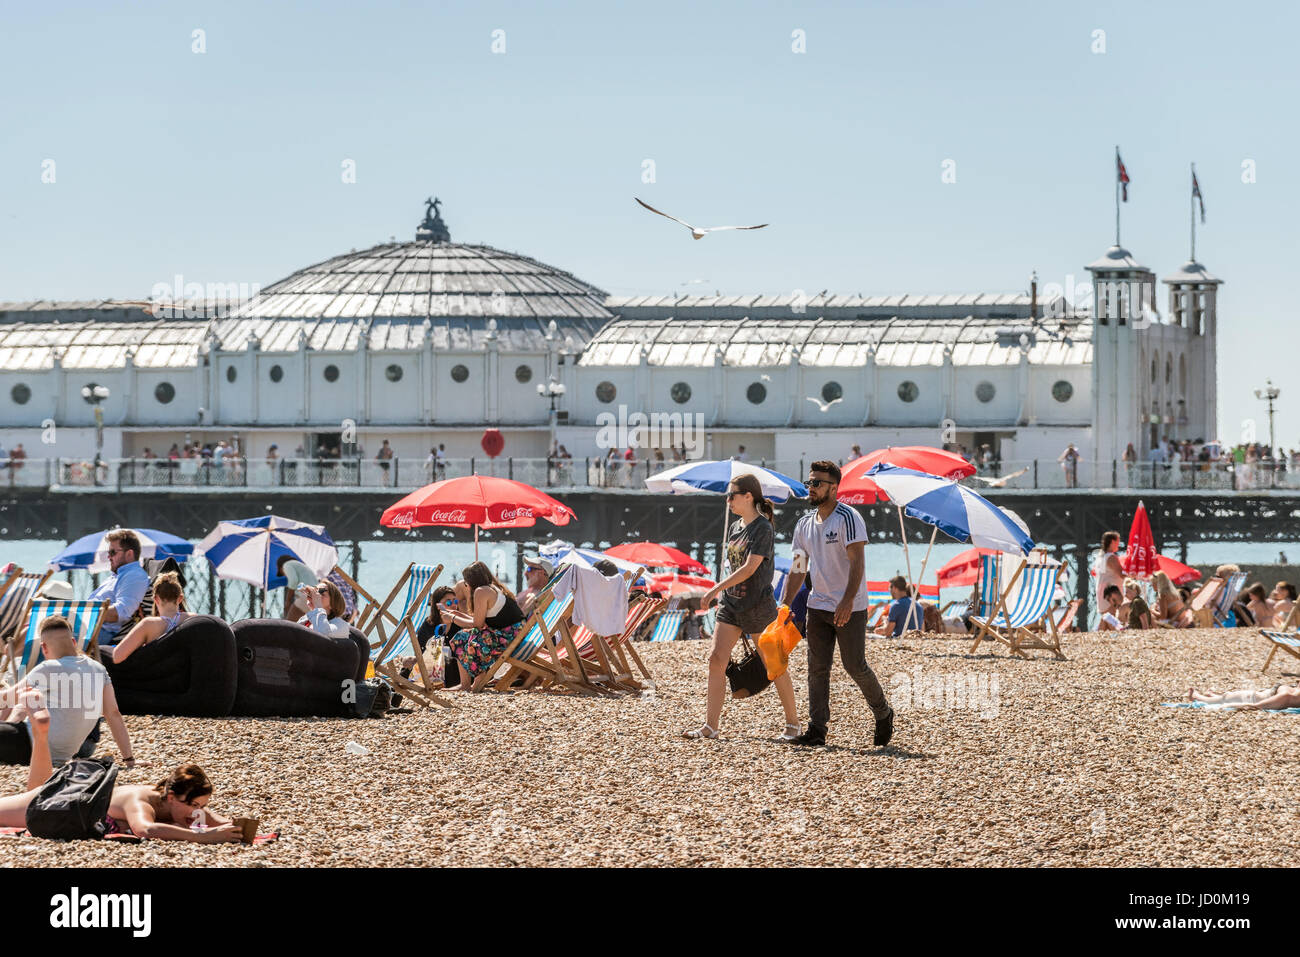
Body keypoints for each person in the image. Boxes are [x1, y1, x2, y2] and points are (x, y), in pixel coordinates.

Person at [780, 461, 894, 748]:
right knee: (817, 668)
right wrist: (784, 604)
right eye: (809, 483)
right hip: (818, 605)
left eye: (817, 483)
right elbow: (797, 568)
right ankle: (817, 729)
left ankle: (883, 713)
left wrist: (846, 600)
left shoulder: (848, 518)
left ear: (834, 487)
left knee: (854, 665)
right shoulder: (804, 524)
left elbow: (858, 563)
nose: (811, 488)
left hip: (850, 607)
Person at [683, 474, 800, 742]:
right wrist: (724, 592)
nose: (728, 500)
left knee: (775, 664)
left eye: (732, 495)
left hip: (758, 606)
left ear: (748, 496)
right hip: (731, 606)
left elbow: (750, 568)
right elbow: (734, 567)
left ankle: (793, 725)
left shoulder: (763, 528)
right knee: (716, 660)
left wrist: (715, 588)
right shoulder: (736, 527)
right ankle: (710, 726)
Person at [0, 616, 134, 789]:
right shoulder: (98, 669)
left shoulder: (48, 668)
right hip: (67, 752)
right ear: (72, 641)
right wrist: (129, 759)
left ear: (44, 648)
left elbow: (7, 698)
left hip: (31, 746)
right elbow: (113, 714)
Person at [0, 763, 245, 842]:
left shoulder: (174, 801)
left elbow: (205, 814)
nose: (197, 812)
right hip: (56, 802)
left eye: (200, 806)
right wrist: (206, 836)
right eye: (193, 805)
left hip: (76, 802)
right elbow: (145, 829)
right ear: (171, 798)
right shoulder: (140, 801)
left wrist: (232, 826)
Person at [439, 562, 526, 691]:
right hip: (514, 633)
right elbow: (482, 622)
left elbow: (478, 625)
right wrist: (457, 614)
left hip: (510, 638)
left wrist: (452, 618)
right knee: (462, 636)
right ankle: (466, 684)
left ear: (471, 582)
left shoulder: (481, 591)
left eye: (466, 583)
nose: (466, 586)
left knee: (463, 638)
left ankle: (478, 678)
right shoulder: (493, 588)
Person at [88, 529, 150, 647]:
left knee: (50, 638)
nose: (108, 557)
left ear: (129, 554)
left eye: (112, 552)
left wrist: (86, 613)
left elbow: (122, 612)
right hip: (91, 627)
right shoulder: (117, 576)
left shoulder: (134, 575)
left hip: (101, 632)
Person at [112, 572, 190, 663]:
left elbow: (117, 656)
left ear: (156, 599)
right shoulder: (192, 619)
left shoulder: (148, 624)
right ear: (180, 599)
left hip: (158, 674)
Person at [1185, 683, 1300, 710]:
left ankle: (1198, 698)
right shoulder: (1293, 694)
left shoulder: (1287, 696)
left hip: (1249, 698)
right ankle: (1215, 697)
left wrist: (1230, 705)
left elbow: (1255, 706)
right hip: (1253, 695)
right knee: (1225, 697)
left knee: (1225, 698)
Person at [276, 554, 319, 620]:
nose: (284, 575)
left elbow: (293, 581)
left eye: (282, 573)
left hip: (306, 596)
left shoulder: (286, 564)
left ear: (281, 567)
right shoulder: (301, 566)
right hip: (316, 598)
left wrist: (288, 601)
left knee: (289, 625)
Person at [1095, 530, 1125, 611]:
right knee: (1115, 620)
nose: (1119, 543)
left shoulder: (1100, 556)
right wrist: (1133, 572)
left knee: (1107, 619)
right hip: (1113, 595)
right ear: (1112, 541)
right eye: (1118, 541)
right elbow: (1121, 574)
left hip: (1102, 592)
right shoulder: (1111, 557)